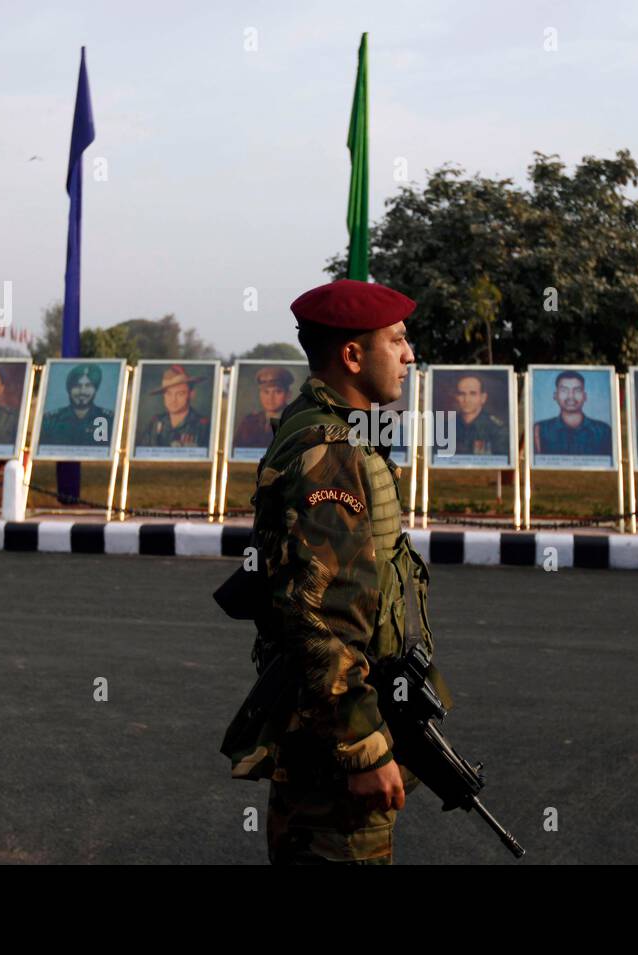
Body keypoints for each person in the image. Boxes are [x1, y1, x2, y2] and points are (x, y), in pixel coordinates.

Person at [220, 278, 454, 865]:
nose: (409, 355)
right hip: (331, 746)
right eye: (396, 340)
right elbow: (321, 615)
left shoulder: (333, 428)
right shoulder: (330, 448)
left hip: (324, 727)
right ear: (352, 355)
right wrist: (364, 746)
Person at [534, 370, 612, 456]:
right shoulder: (541, 430)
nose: (570, 396)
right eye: (564, 390)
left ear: (585, 396)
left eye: (577, 390)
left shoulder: (603, 431)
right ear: (555, 396)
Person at [40, 363, 115, 447]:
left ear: (95, 390)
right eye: (77, 386)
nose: (82, 391)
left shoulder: (109, 420)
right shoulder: (50, 421)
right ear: (69, 389)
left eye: (88, 386)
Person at [138, 365, 210, 448]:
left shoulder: (203, 426)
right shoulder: (155, 423)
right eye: (168, 394)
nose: (173, 400)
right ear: (163, 396)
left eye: (180, 393)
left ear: (191, 394)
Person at [233, 366, 294, 449]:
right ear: (260, 394)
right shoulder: (249, 422)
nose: (270, 398)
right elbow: (235, 452)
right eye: (266, 392)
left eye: (278, 392)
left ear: (288, 395)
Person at [452, 373, 508, 456]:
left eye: (473, 394)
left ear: (483, 398)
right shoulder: (447, 427)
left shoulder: (497, 430)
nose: (466, 400)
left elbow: (502, 463)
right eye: (462, 394)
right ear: (456, 397)